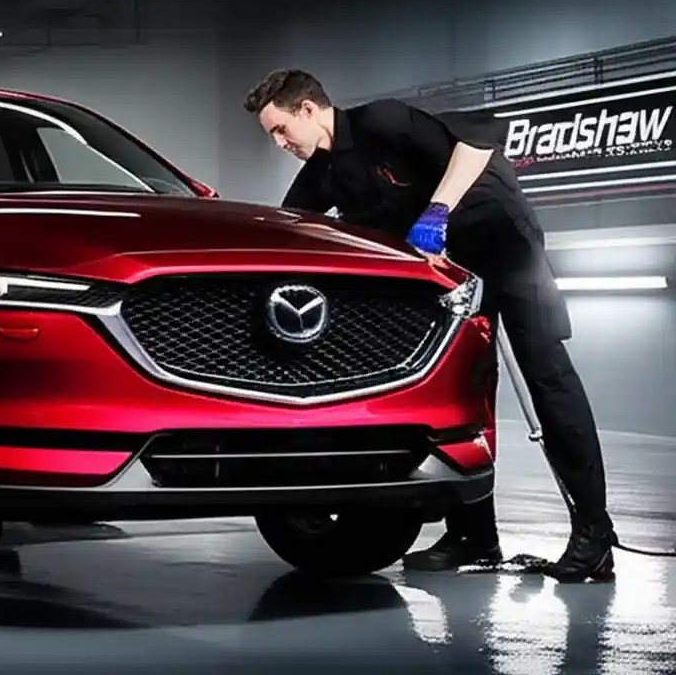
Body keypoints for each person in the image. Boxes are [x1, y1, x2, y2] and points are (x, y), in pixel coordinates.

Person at [242, 69, 617, 583]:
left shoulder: (383, 120)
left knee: (548, 379)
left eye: (280, 130)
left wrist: (438, 207)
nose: (280, 143)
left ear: (308, 109)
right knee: (461, 395)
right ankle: (473, 535)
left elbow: (481, 138)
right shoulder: (324, 174)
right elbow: (288, 229)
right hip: (451, 271)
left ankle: (594, 535)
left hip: (505, 244)